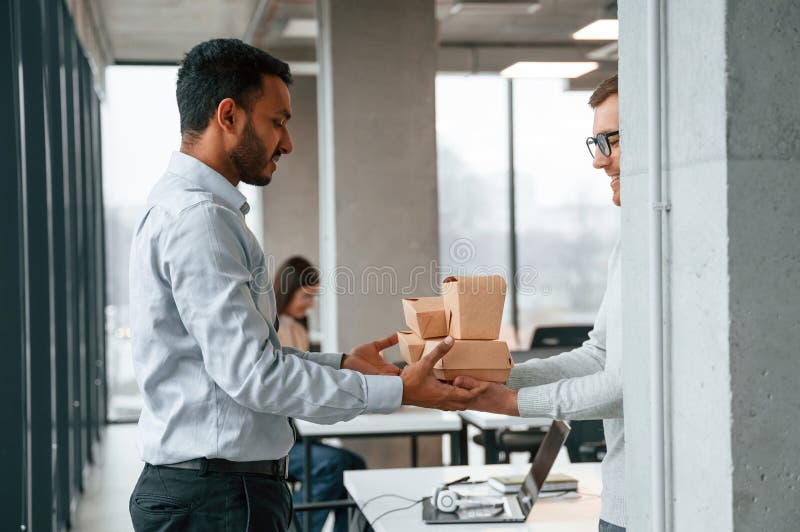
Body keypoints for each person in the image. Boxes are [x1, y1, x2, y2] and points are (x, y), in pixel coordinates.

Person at [128, 38, 486, 532]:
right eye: (278, 121)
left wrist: (342, 364)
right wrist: (396, 390)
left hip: (216, 493)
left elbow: (243, 363)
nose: (288, 143)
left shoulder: (190, 210)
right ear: (227, 116)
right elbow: (256, 376)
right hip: (219, 500)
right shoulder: (200, 221)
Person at [455, 74, 626, 532]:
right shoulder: (631, 244)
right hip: (623, 501)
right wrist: (495, 376)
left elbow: (625, 387)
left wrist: (510, 400)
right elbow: (600, 357)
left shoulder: (677, 248)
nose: (600, 161)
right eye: (596, 142)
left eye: (613, 139)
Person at [274, 256, 367, 532]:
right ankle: (294, 528)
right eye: (305, 297)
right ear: (288, 290)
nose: (309, 305)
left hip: (297, 433)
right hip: (278, 442)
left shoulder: (298, 327)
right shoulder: (276, 328)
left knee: (354, 465)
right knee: (334, 465)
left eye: (312, 298)